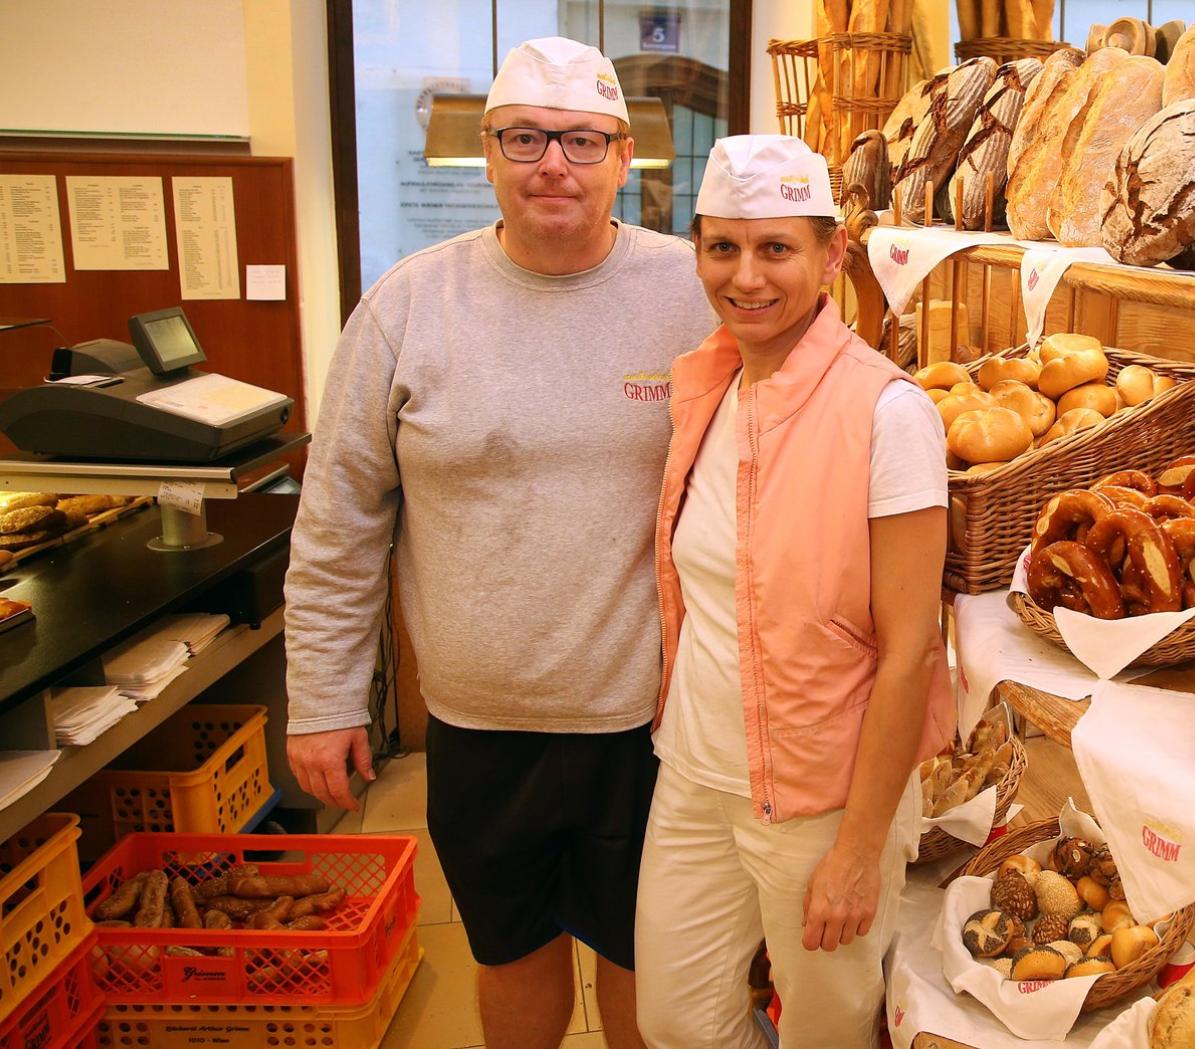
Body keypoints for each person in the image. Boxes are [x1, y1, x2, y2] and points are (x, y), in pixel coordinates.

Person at [281, 37, 715, 1049]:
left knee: (644, 961)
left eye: (581, 140)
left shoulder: (693, 293)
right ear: (487, 152)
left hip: (651, 717)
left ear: (624, 156)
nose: (552, 163)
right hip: (480, 722)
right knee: (509, 953)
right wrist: (324, 697)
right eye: (525, 137)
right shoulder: (409, 305)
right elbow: (339, 518)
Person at [632, 135, 955, 1047]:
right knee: (676, 1020)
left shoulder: (888, 412)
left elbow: (910, 651)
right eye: (722, 248)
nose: (746, 276)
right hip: (695, 771)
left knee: (827, 1029)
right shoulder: (708, 386)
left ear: (832, 253)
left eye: (776, 247)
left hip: (822, 799)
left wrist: (859, 849)